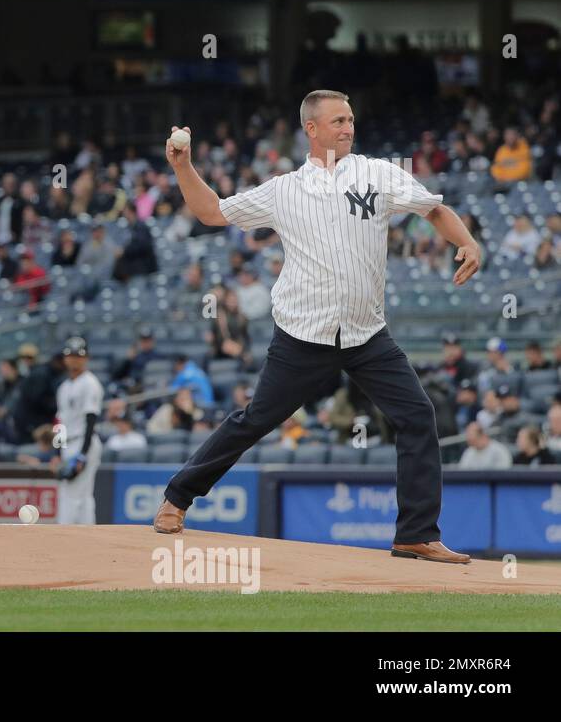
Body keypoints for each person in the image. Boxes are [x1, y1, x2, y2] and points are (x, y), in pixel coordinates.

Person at [154, 90, 482, 564]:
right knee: (255, 420)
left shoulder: (378, 173)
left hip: (366, 334)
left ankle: (415, 534)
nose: (348, 128)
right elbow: (210, 212)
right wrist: (183, 166)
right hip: (302, 336)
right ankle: (177, 497)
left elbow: (434, 209)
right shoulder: (284, 189)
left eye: (351, 119)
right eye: (338, 121)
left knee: (417, 417)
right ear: (311, 129)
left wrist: (467, 241)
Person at [53, 336, 103, 525]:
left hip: (84, 440)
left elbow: (91, 419)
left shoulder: (90, 383)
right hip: (69, 442)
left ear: (86, 358)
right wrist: (57, 451)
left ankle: (63, 536)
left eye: (78, 356)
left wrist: (82, 454)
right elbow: (60, 422)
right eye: (71, 355)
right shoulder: (63, 387)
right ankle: (88, 536)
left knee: (70, 493)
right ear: (65, 358)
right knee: (82, 496)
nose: (74, 359)